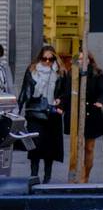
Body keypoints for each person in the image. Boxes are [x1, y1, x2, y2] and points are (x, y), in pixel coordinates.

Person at [18, 44, 68, 183]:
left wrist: (61, 102)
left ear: (54, 59)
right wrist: (18, 110)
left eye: (50, 59)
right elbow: (24, 91)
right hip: (34, 112)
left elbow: (66, 92)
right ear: (39, 58)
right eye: (44, 58)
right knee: (35, 145)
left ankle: (47, 177)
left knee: (49, 148)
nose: (47, 62)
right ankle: (34, 174)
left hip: (52, 114)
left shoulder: (61, 72)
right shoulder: (32, 70)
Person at [65, 50, 103, 183]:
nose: (82, 61)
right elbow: (65, 92)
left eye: (85, 59)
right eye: (79, 59)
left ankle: (85, 175)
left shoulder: (97, 73)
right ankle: (72, 176)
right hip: (74, 114)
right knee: (75, 147)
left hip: (91, 114)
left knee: (89, 148)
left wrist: (100, 102)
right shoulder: (71, 73)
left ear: (90, 60)